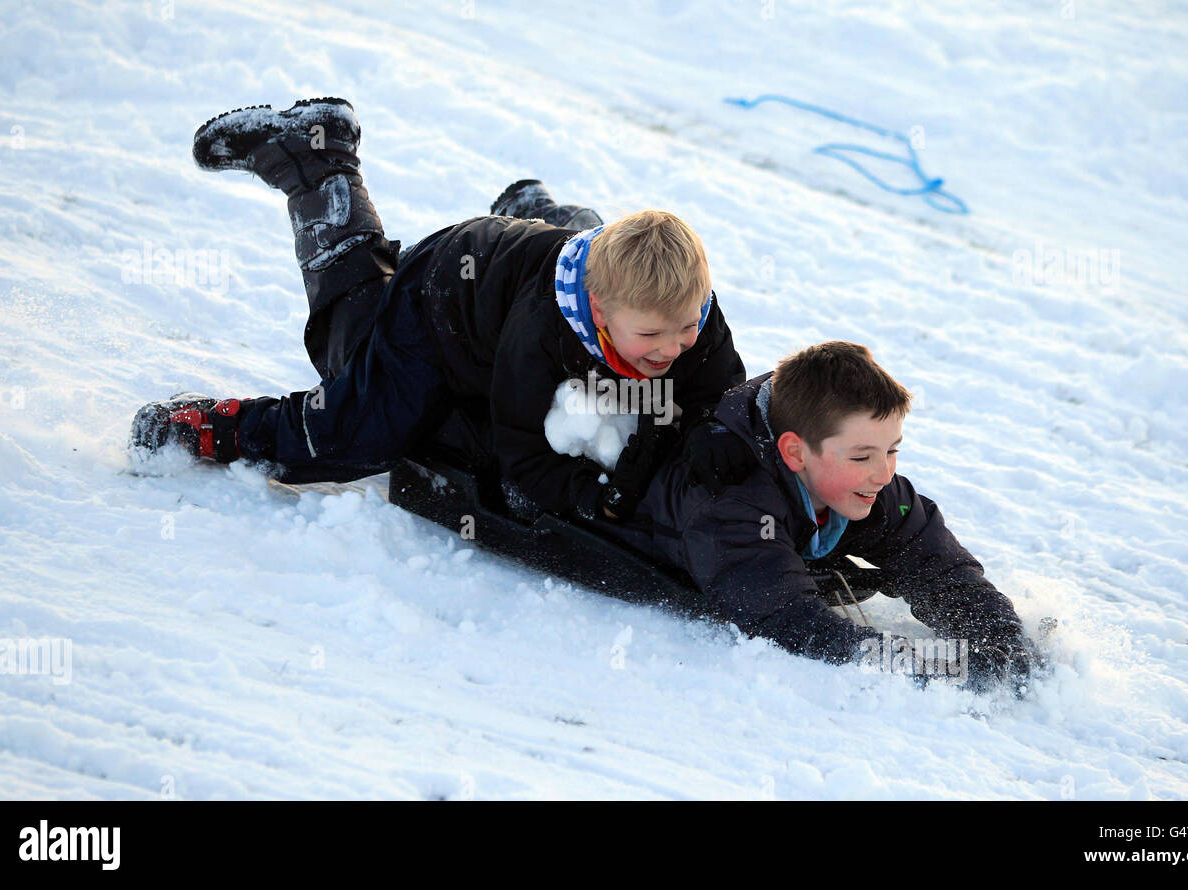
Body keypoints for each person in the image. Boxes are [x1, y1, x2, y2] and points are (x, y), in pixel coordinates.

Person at [131, 98, 752, 521]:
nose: (673, 348)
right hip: (444, 298)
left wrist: (711, 440)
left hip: (520, 265)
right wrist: (596, 498)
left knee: (623, 290)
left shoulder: (676, 310)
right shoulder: (544, 333)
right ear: (597, 309)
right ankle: (314, 161)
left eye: (689, 326)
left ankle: (537, 210)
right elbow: (522, 455)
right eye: (652, 334)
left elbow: (719, 399)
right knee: (364, 417)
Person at [626, 340, 1039, 694]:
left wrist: (999, 634)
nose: (884, 473)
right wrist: (928, 663)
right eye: (862, 456)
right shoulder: (734, 508)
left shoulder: (863, 482)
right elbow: (787, 618)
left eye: (892, 450)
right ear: (794, 452)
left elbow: (935, 560)